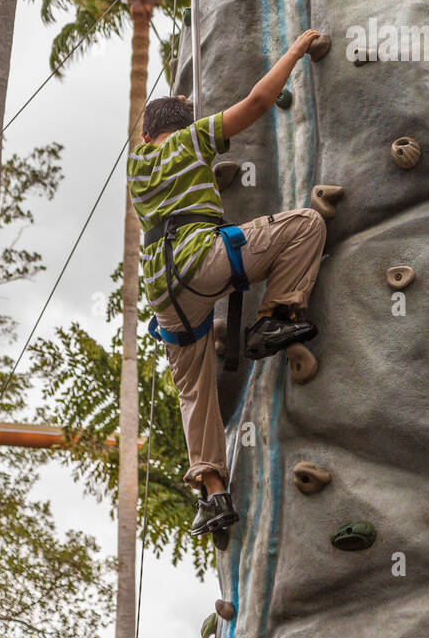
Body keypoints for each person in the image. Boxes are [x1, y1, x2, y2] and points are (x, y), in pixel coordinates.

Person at [126, 31, 326, 538]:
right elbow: (258, 102)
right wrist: (296, 50)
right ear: (184, 126)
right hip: (206, 260)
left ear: (146, 137)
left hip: (166, 295)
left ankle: (214, 493)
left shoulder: (138, 167)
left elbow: (161, 129)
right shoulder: (195, 139)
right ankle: (274, 317)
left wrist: (173, 110)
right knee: (305, 226)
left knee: (194, 388)